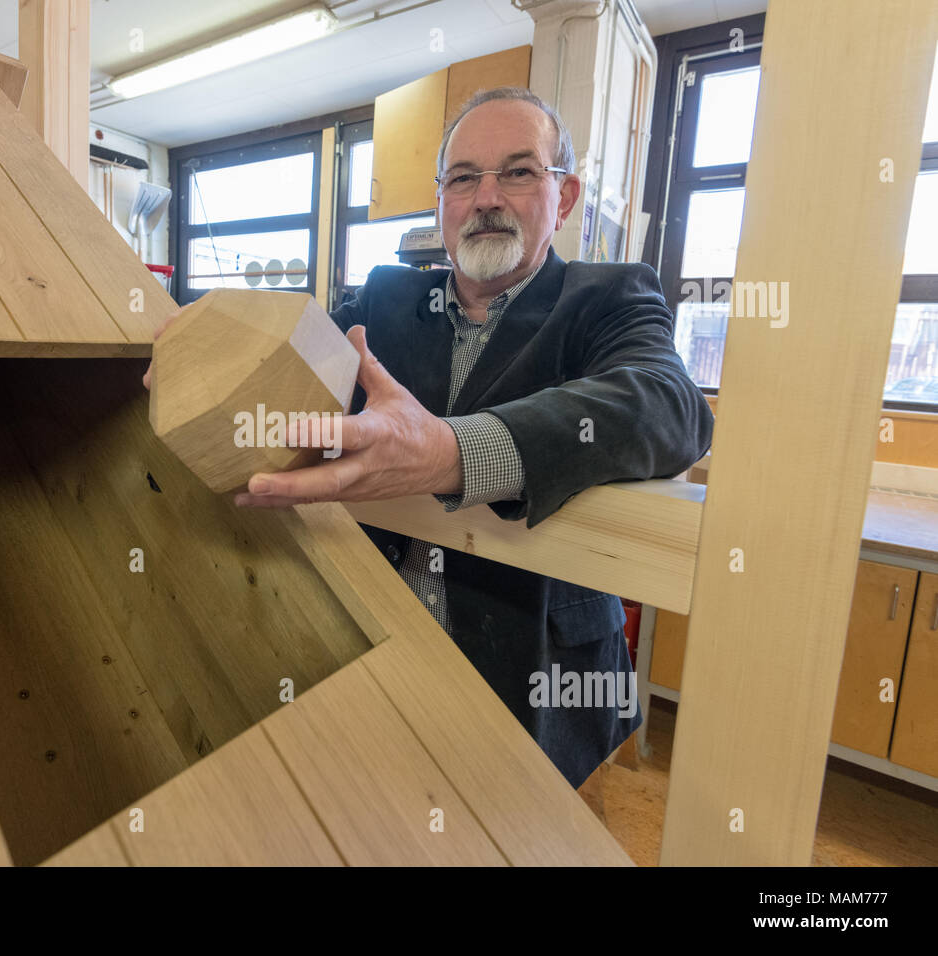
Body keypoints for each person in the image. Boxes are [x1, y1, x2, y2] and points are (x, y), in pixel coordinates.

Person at [145, 86, 713, 789]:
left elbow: (669, 405)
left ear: (562, 200)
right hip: (379, 644)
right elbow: (293, 349)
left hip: (533, 673)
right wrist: (210, 342)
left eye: (518, 172)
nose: (486, 198)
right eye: (463, 178)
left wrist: (451, 453)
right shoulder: (384, 298)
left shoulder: (610, 298)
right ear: (441, 202)